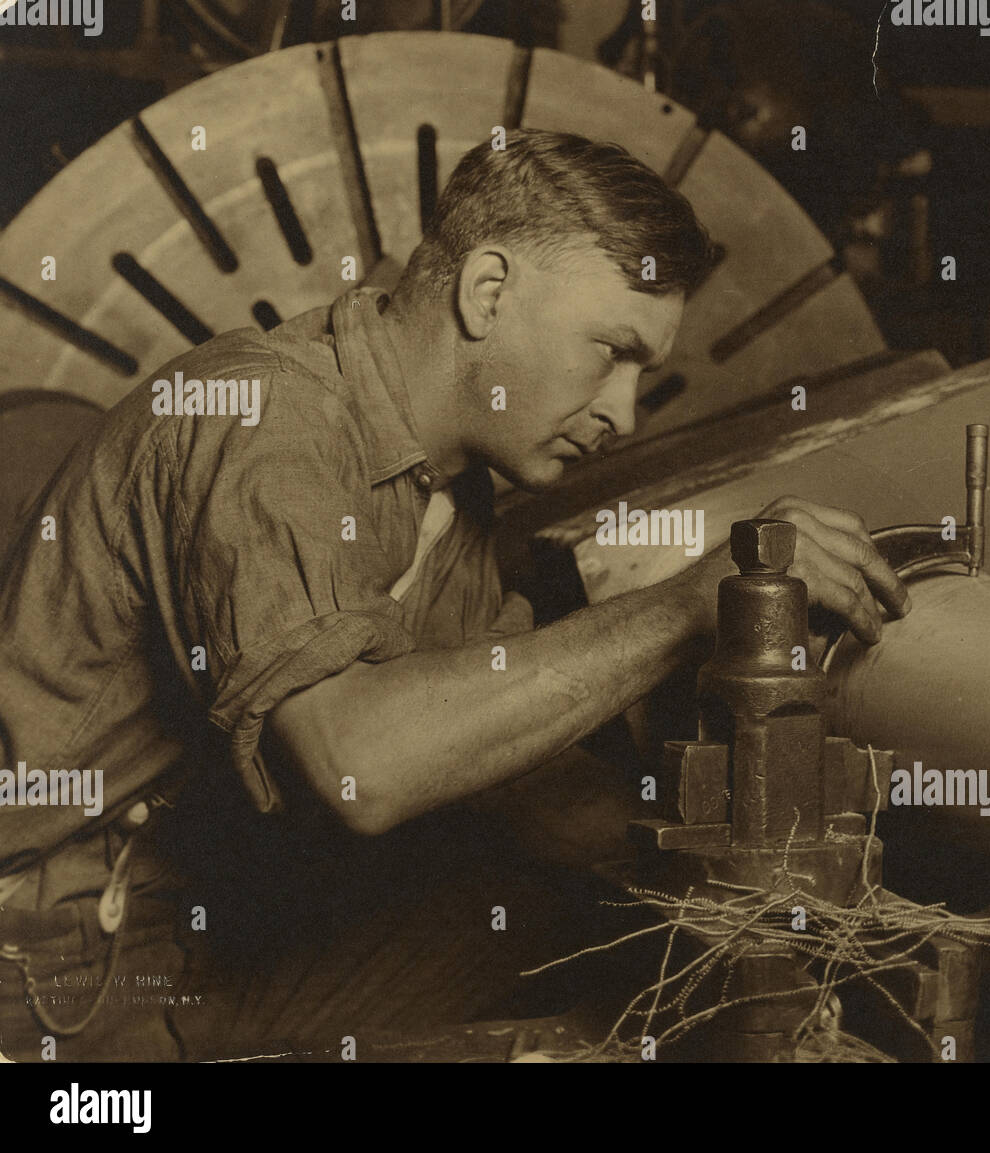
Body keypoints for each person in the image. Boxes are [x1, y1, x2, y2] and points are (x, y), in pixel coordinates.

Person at [0, 129, 908, 1061]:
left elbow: (526, 792)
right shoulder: (264, 421)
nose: (624, 412)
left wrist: (776, 873)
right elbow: (366, 765)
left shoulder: (447, 491)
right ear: (487, 292)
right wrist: (686, 606)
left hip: (194, 939)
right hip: (54, 982)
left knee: (595, 935)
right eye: (611, 351)